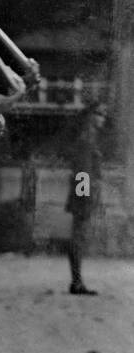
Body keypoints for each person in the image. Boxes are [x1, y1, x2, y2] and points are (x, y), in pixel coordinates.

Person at [67, 101, 107, 294]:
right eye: (99, 114)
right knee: (78, 237)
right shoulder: (86, 139)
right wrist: (85, 197)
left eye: (103, 115)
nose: (102, 118)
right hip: (83, 194)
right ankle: (76, 282)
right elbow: (82, 172)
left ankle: (77, 281)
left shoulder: (89, 138)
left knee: (79, 237)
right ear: (90, 117)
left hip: (85, 193)